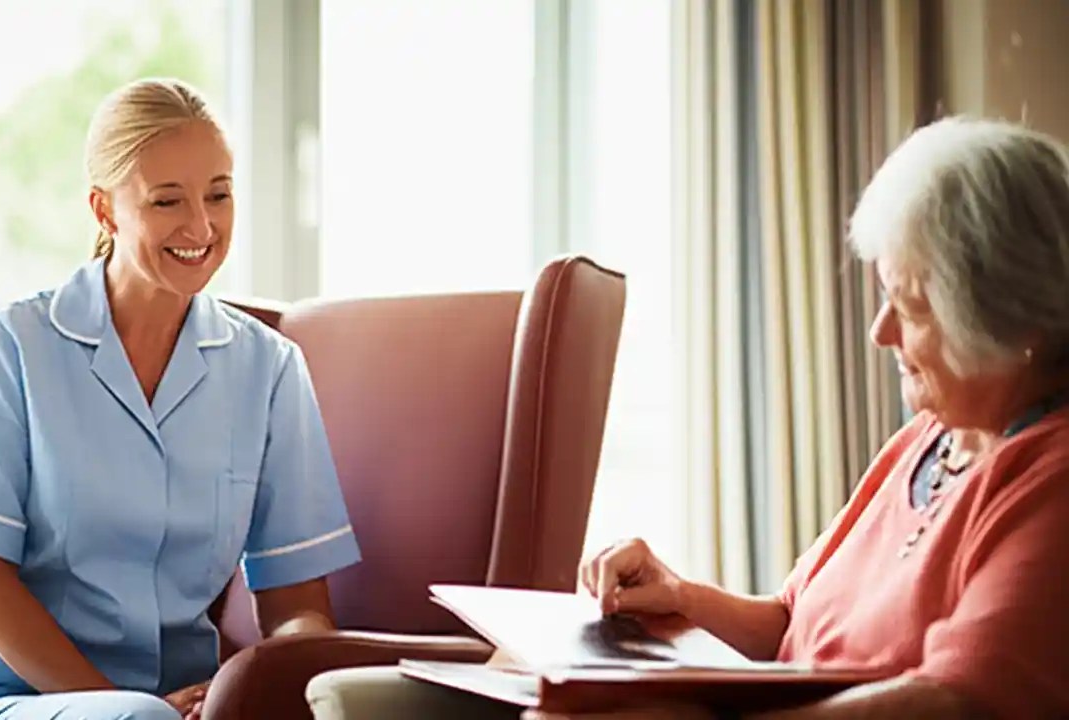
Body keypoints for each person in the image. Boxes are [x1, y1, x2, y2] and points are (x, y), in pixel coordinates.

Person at [307, 117, 1069, 720]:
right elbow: (787, 624)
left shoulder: (1052, 474)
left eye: (909, 306)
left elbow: (960, 701)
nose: (880, 334)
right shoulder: (927, 442)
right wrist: (682, 599)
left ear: (1009, 315)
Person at [0, 78, 361, 720]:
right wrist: (124, 705)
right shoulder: (15, 344)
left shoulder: (270, 368)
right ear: (105, 211)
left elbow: (296, 605)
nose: (201, 226)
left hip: (177, 709)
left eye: (219, 195)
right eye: (167, 201)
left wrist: (263, 691)